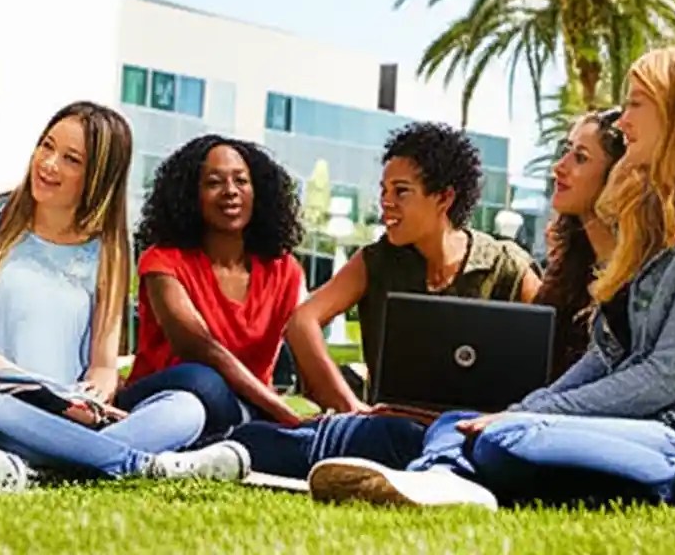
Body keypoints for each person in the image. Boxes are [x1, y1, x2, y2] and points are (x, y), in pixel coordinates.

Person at [306, 40, 675, 510]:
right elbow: (606, 354)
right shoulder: (654, 217)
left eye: (637, 105)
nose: (623, 121)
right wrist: (525, 406)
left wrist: (533, 414)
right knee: (471, 425)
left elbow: (667, 375)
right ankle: (446, 481)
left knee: (515, 438)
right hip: (643, 425)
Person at [0, 102, 249, 490]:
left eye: (70, 159)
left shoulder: (110, 251)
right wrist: (39, 391)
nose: (48, 163)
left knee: (186, 408)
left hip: (63, 419)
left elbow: (103, 368)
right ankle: (140, 465)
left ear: (98, 178)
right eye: (46, 145)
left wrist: (92, 394)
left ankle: (45, 469)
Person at [228, 121, 542, 478]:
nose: (385, 203)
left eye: (401, 191)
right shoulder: (376, 261)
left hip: (471, 433)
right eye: (384, 190)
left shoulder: (506, 265)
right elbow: (302, 323)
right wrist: (349, 405)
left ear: (444, 197)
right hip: (387, 428)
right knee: (257, 438)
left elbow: (552, 347)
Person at [116, 134, 308, 435]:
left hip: (245, 403)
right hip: (167, 396)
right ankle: (246, 430)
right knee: (203, 379)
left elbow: (306, 344)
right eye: (214, 182)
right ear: (191, 195)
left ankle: (238, 433)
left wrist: (347, 409)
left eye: (241, 181)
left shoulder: (285, 270)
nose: (230, 191)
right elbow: (200, 349)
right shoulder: (163, 261)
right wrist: (283, 413)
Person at [538, 107, 625, 379]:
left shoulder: (646, 279)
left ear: (617, 176)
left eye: (580, 158)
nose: (559, 167)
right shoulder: (568, 267)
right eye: (566, 151)